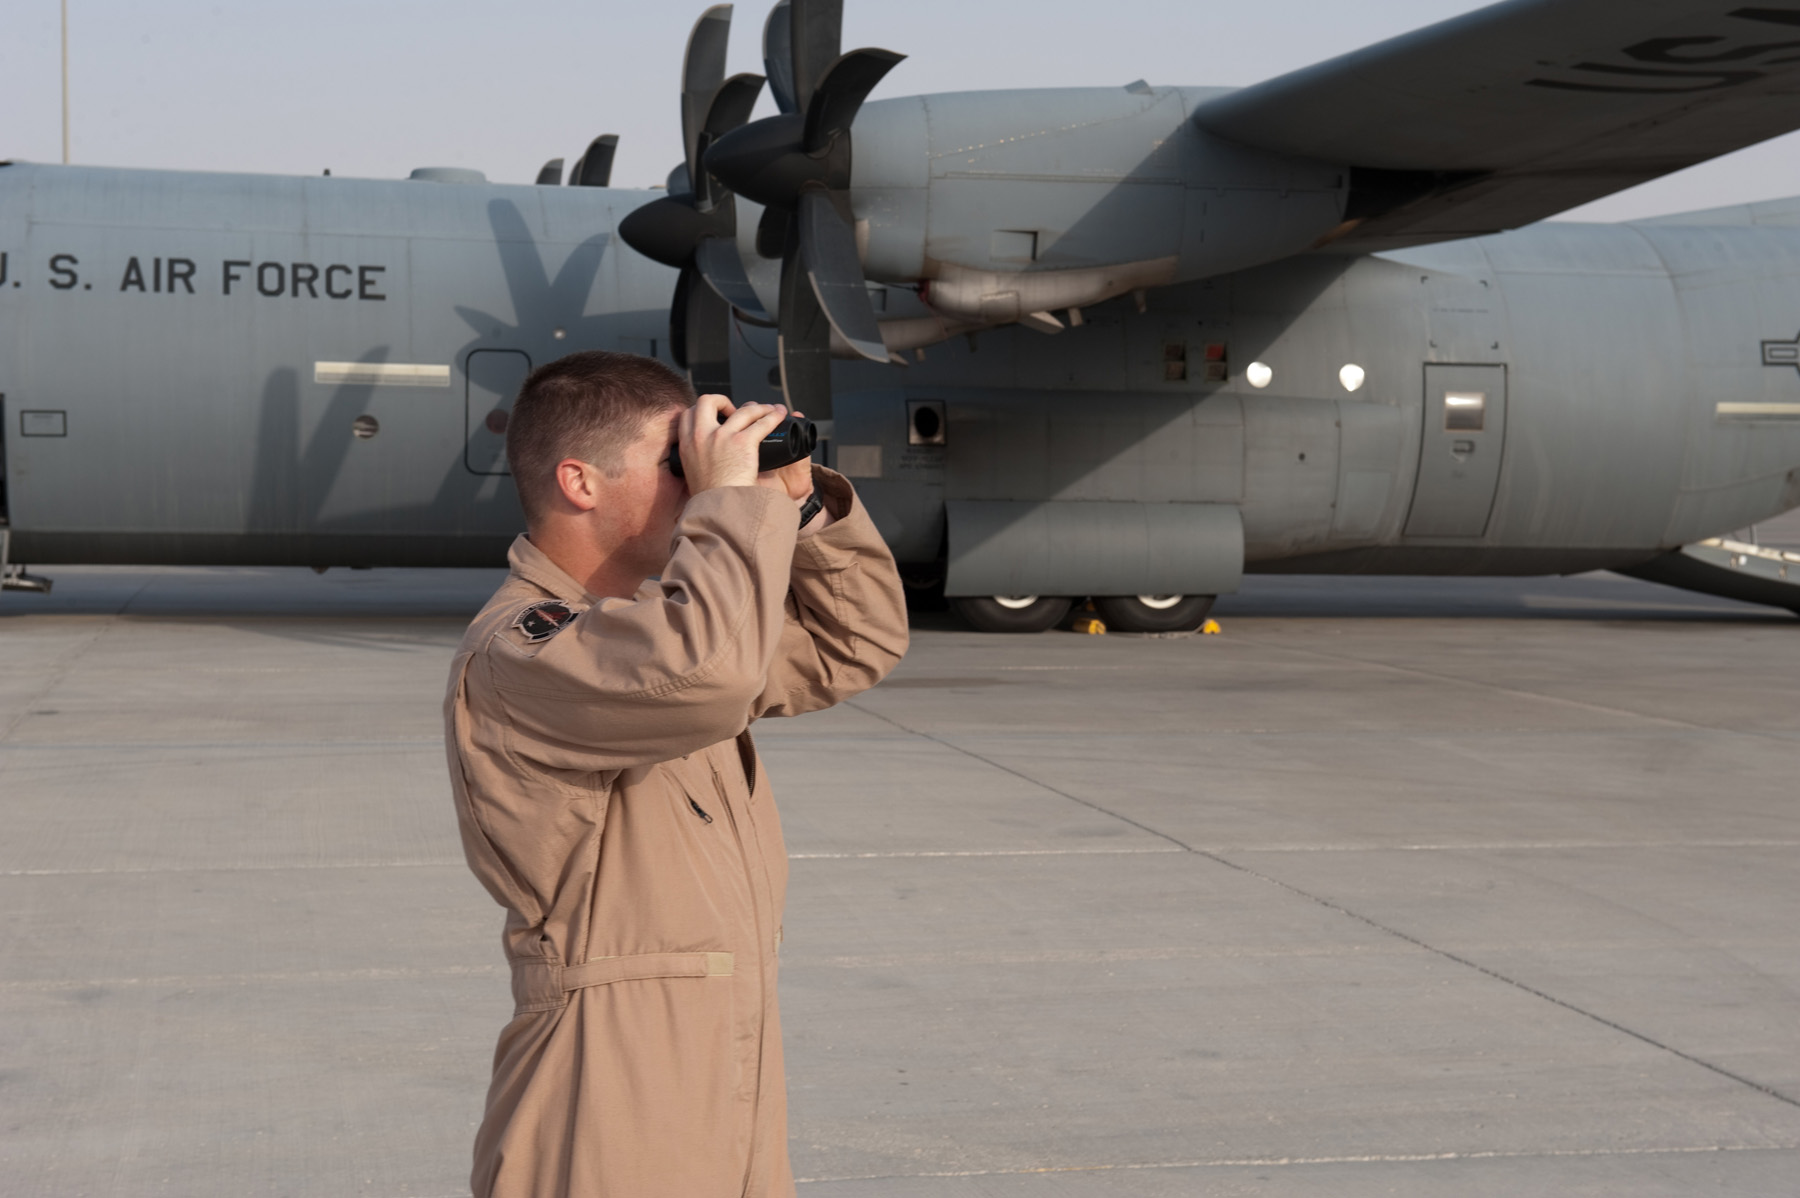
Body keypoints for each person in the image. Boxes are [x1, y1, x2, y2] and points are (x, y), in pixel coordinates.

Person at [442, 351, 909, 1198]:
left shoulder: (650, 631)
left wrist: (797, 503)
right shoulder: (522, 649)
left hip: (726, 1077)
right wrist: (730, 503)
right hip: (609, 1095)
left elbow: (853, 644)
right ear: (580, 483)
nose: (698, 480)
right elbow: (710, 673)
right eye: (677, 461)